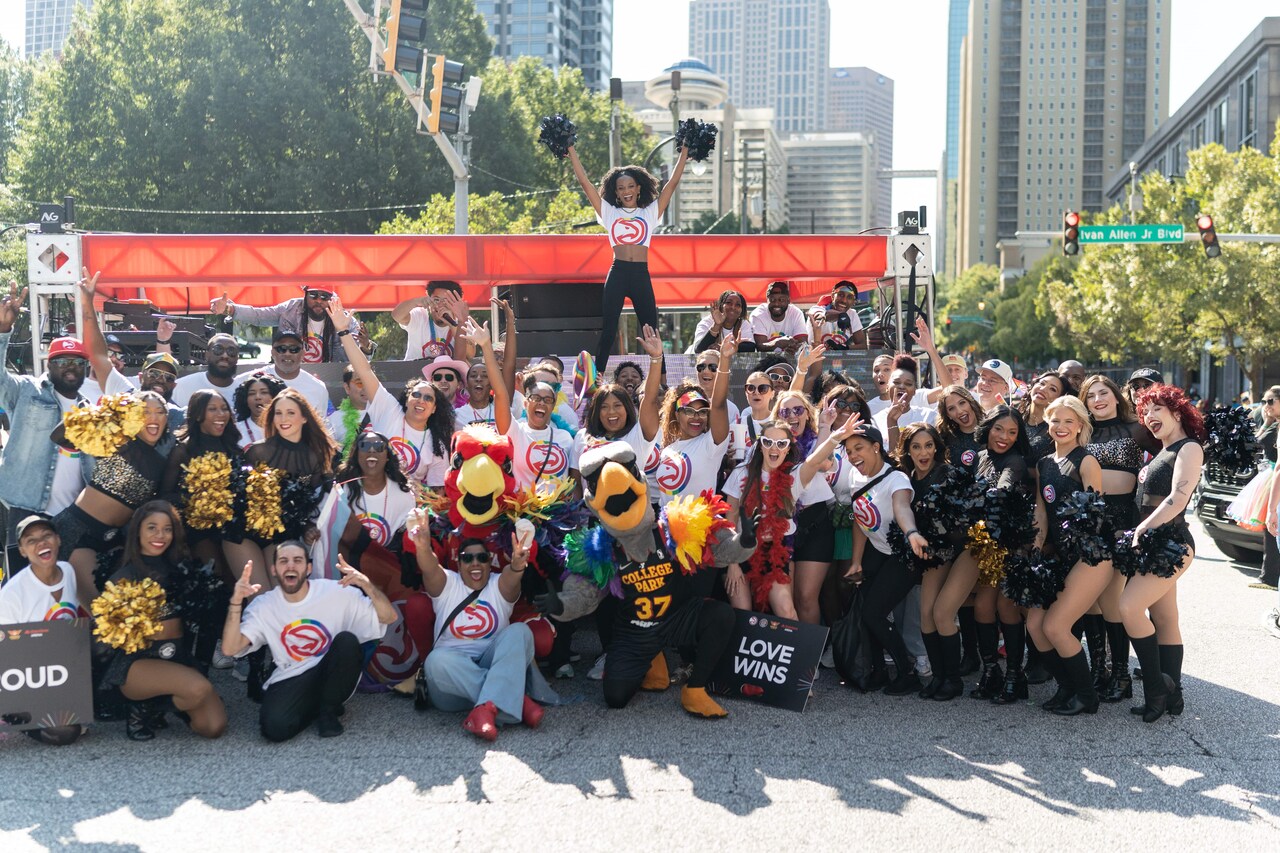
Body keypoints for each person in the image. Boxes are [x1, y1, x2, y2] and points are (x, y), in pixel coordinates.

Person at [222, 542, 395, 740]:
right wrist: (236, 601)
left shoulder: (336, 592)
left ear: (308, 568)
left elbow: (389, 617)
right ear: (274, 570)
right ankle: (314, 706)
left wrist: (366, 584)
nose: (290, 566)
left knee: (347, 641)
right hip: (291, 674)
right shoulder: (264, 605)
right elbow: (230, 649)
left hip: (331, 669)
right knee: (274, 729)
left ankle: (328, 710)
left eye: (297, 560)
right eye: (283, 561)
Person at [95, 501, 228, 741]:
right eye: (152, 527)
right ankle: (140, 708)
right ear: (137, 531)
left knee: (213, 726)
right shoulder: (122, 577)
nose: (160, 535)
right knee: (200, 689)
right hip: (138, 665)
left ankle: (156, 704)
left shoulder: (184, 568)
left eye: (167, 529)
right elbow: (108, 635)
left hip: (177, 658)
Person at [1121, 384, 1205, 723]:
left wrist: (1143, 528)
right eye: (1145, 412)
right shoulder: (1164, 450)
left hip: (1172, 543)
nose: (1149, 417)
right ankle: (1174, 696)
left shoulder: (1189, 448)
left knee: (1128, 607)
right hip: (1155, 546)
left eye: (1157, 409)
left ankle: (1156, 687)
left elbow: (1178, 499)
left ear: (1176, 411)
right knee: (1166, 619)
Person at [567, 142, 689, 373]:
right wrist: (572, 149)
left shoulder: (649, 212)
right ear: (616, 192)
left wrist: (684, 152)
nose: (626, 191)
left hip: (641, 274)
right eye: (621, 188)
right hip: (618, 272)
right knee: (609, 329)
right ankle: (598, 377)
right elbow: (585, 183)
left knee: (651, 329)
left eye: (630, 186)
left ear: (638, 188)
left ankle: (661, 380)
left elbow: (671, 184)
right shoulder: (609, 212)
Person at [0, 281, 93, 573]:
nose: (70, 367)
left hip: (72, 517)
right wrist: (3, 331)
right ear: (49, 366)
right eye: (61, 361)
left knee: (65, 596)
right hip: (25, 509)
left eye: (77, 362)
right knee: (22, 588)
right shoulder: (26, 392)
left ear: (85, 370)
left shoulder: (92, 412)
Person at [417, 526, 542, 741]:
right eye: (467, 558)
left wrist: (517, 564)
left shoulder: (497, 584)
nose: (475, 563)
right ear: (458, 564)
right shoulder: (448, 583)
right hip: (451, 687)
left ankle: (485, 710)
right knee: (436, 660)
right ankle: (515, 700)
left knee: (520, 631)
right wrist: (422, 547)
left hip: (490, 664)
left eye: (482, 557)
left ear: (489, 563)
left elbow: (511, 577)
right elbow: (430, 569)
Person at [1081, 373, 1161, 702]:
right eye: (1090, 395)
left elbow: (1172, 452)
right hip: (1088, 519)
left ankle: (1121, 675)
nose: (1098, 399)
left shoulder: (1136, 429)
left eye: (1103, 393)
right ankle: (1098, 669)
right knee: (1091, 601)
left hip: (1122, 520)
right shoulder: (1082, 432)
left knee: (1113, 600)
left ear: (1116, 397)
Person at [1029, 396, 1108, 715]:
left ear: (1079, 426)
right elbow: (1041, 512)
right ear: (1047, 424)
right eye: (1055, 421)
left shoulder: (1086, 461)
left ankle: (1087, 696)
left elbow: (1096, 512)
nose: (1061, 427)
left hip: (1090, 556)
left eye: (1068, 421)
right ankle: (1067, 687)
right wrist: (1035, 549)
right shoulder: (1044, 463)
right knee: (1035, 625)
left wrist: (1078, 542)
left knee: (1056, 627)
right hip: (1057, 557)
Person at [723, 417, 847, 619]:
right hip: (739, 552)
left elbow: (815, 460)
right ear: (760, 445)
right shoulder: (740, 473)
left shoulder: (794, 476)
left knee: (787, 611)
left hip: (775, 554)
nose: (774, 448)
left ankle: (800, 651)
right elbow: (730, 517)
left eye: (781, 444)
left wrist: (835, 437)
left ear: (788, 448)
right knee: (742, 612)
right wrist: (732, 564)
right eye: (768, 442)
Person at [54, 391, 170, 597]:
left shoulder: (163, 463)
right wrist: (105, 414)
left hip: (114, 541)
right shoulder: (116, 440)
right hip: (78, 530)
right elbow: (57, 436)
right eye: (145, 411)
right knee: (97, 609)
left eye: (160, 412)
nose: (153, 417)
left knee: (116, 611)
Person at [844, 425, 930, 694]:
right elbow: (860, 521)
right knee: (864, 610)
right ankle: (879, 670)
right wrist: (856, 561)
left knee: (874, 613)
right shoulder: (854, 476)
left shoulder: (897, 480)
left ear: (876, 447)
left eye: (859, 448)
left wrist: (912, 532)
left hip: (904, 555)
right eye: (848, 451)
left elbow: (901, 507)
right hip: (877, 551)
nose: (853, 456)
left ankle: (908, 672)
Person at [228, 389, 338, 593]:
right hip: (243, 535)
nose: (283, 419)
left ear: (305, 418)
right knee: (258, 598)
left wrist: (307, 527)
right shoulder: (256, 451)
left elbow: (314, 503)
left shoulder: (316, 456)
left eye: (290, 413)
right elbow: (236, 497)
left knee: (279, 596)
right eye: (278, 413)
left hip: (280, 537)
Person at [0, 514, 88, 745]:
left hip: (66, 673)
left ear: (58, 540)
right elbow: (6, 653)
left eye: (46, 535)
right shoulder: (11, 595)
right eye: (31, 540)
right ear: (22, 551)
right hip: (28, 677)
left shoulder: (69, 572)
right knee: (65, 733)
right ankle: (16, 717)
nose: (41, 543)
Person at [469, 321, 577, 491]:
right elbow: (501, 394)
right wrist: (486, 347)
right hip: (521, 515)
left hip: (559, 515)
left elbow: (573, 482)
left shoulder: (566, 438)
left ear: (553, 405)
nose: (541, 402)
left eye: (547, 400)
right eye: (536, 398)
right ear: (526, 403)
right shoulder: (515, 431)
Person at [160, 390, 244, 569]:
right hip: (197, 531)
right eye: (212, 409)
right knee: (217, 572)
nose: (221, 414)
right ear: (198, 415)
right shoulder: (183, 450)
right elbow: (164, 495)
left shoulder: (234, 450)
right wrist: (198, 500)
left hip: (231, 527)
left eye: (224, 408)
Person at [654, 338, 734, 505]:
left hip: (701, 528)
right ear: (676, 414)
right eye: (689, 411)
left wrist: (724, 360)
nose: (696, 417)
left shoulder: (711, 444)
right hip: (667, 527)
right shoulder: (667, 450)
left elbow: (718, 405)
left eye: (702, 412)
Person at [212, 287, 356, 363]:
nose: (318, 300)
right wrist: (230, 309)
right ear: (305, 295)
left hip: (328, 379)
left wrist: (367, 349)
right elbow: (259, 316)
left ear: (331, 299)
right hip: (291, 375)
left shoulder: (342, 317)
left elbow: (358, 359)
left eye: (324, 297)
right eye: (313, 295)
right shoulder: (291, 309)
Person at [335, 431, 416, 550]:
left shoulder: (404, 495)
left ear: (387, 456)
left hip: (387, 563)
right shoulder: (341, 490)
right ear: (357, 455)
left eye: (379, 446)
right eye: (364, 446)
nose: (372, 450)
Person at [234, 330, 333, 419]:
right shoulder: (249, 380)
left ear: (302, 354)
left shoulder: (318, 388)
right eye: (281, 349)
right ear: (272, 353)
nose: (287, 353)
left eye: (294, 349)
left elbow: (320, 426)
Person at [391, 280, 476, 361]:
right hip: (414, 374)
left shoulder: (463, 322)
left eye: (446, 301)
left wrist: (452, 324)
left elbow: (470, 354)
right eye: (436, 300)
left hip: (446, 375)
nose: (441, 305)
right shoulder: (420, 315)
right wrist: (416, 301)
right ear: (429, 301)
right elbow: (396, 316)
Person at [172, 333, 240, 408]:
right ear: (207, 355)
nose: (225, 356)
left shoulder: (244, 392)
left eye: (231, 351)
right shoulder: (182, 387)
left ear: (237, 359)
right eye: (218, 349)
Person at [1020, 372, 1072, 462]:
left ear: (1059, 398)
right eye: (1042, 383)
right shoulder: (1015, 418)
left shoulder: (1056, 428)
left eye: (1052, 389)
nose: (1043, 389)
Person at [231, 371, 287, 450]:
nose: (257, 397)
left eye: (264, 392)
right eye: (252, 393)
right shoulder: (236, 430)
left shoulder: (287, 427)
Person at [748, 282, 809, 354]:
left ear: (788, 300)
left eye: (781, 300)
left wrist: (795, 348)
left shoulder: (796, 313)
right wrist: (778, 343)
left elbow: (803, 344)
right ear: (767, 300)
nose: (777, 304)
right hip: (766, 361)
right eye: (772, 300)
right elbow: (760, 346)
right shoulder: (758, 315)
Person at [327, 363, 372, 457]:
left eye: (370, 381)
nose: (366, 387)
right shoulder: (333, 420)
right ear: (347, 388)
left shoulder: (386, 413)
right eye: (360, 382)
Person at [808, 281, 868, 350]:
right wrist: (841, 315)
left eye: (849, 297)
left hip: (838, 360)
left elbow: (863, 346)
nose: (844, 301)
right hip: (813, 358)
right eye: (841, 295)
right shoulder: (816, 309)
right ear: (833, 296)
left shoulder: (852, 314)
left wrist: (843, 348)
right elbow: (820, 317)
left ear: (854, 302)